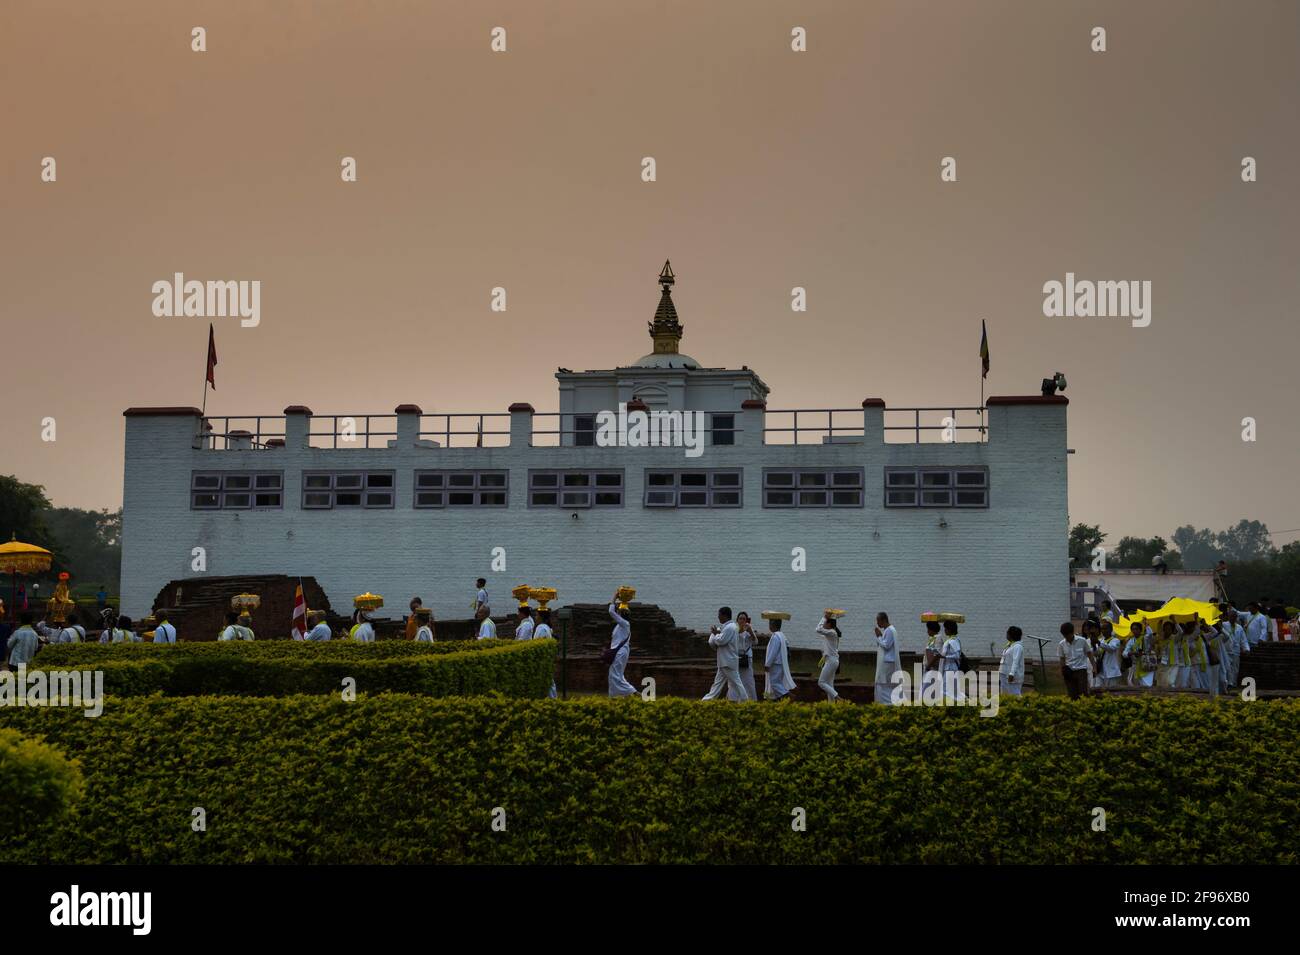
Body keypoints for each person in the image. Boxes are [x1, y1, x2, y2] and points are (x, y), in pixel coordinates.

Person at [704, 606, 746, 701]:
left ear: (724, 616)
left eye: (719, 615)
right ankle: (706, 701)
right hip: (725, 661)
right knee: (717, 684)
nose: (718, 617)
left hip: (727, 661)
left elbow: (721, 641)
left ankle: (745, 701)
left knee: (737, 683)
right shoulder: (731, 627)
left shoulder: (730, 627)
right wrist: (718, 633)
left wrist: (715, 634)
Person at [607, 596, 636, 698]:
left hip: (620, 653)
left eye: (619, 612)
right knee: (617, 675)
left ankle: (633, 693)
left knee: (614, 675)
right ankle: (616, 696)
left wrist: (614, 598)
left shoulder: (625, 624)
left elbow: (611, 612)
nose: (617, 613)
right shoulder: (620, 625)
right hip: (618, 652)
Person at [1058, 622, 1094, 699]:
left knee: (1083, 693)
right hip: (1069, 671)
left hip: (1081, 670)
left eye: (1067, 635)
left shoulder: (1082, 641)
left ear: (1072, 632)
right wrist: (1063, 670)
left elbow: (1089, 654)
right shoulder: (1061, 644)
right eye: (1064, 635)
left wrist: (1095, 667)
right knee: (1071, 694)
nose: (1066, 637)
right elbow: (1062, 659)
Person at [763, 616, 796, 701]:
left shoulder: (775, 637)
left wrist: (767, 664)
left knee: (774, 683)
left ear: (773, 624)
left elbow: (773, 652)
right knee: (777, 682)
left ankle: (788, 695)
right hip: (780, 663)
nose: (769, 625)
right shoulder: (782, 635)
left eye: (770, 623)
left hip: (775, 664)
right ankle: (779, 699)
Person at [729, 611, 758, 702]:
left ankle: (750, 700)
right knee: (734, 681)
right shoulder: (733, 630)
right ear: (737, 620)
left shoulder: (748, 630)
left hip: (746, 658)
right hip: (735, 658)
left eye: (744, 619)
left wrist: (750, 632)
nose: (742, 620)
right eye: (740, 618)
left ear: (746, 620)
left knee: (748, 681)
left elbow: (755, 642)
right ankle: (733, 700)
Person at [873, 612, 902, 704]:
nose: (877, 624)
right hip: (888, 661)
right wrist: (880, 637)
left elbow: (886, 645)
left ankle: (886, 702)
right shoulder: (889, 630)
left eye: (878, 621)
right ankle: (886, 701)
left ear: (883, 620)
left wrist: (879, 636)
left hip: (888, 662)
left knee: (883, 683)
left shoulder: (890, 630)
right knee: (884, 683)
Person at [814, 614, 843, 702]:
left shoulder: (832, 632)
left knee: (821, 682)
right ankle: (831, 706)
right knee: (829, 685)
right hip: (831, 660)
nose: (824, 624)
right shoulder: (830, 634)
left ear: (829, 624)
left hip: (831, 661)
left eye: (825, 623)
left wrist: (824, 617)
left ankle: (838, 698)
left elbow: (818, 629)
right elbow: (821, 633)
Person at [1123, 622, 1155, 688]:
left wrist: (1146, 625)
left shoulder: (1145, 638)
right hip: (1136, 667)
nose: (1135, 631)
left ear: (1140, 630)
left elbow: (1150, 634)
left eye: (1136, 629)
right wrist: (1131, 653)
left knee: (1147, 685)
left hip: (1147, 664)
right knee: (1138, 686)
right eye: (1133, 629)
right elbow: (1124, 653)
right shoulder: (1131, 641)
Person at [534, 609, 557, 698]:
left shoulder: (542, 628)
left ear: (540, 617)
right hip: (546, 658)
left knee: (548, 682)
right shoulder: (546, 628)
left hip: (543, 659)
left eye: (536, 615)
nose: (535, 618)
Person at [939, 619, 963, 700]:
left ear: (950, 629)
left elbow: (956, 655)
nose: (944, 630)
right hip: (948, 668)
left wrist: (945, 657)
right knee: (948, 689)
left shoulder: (953, 641)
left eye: (945, 629)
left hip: (951, 668)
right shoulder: (950, 640)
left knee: (947, 689)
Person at [1095, 619, 1123, 688]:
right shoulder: (1100, 640)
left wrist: (1098, 643)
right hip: (1100, 671)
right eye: (1102, 629)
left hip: (1111, 672)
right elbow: (1097, 653)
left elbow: (1111, 648)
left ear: (1111, 629)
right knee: (1098, 689)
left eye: (1105, 629)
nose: (1103, 631)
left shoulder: (1115, 640)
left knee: (1111, 692)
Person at [999, 626, 1025, 696]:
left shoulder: (1017, 647)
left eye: (1007, 633)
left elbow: (1015, 661)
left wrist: (1011, 674)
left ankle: (1023, 706)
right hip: (1004, 673)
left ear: (1011, 635)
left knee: (1015, 694)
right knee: (1005, 694)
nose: (1006, 634)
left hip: (1011, 675)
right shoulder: (1010, 645)